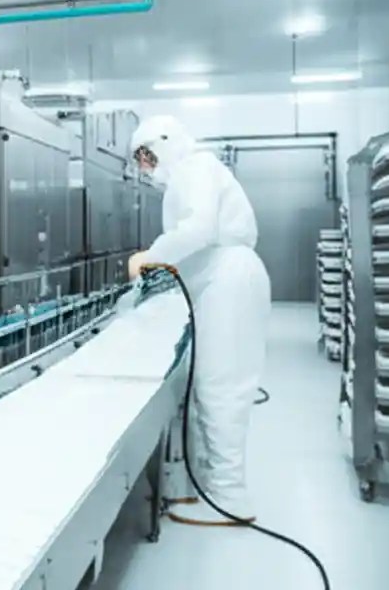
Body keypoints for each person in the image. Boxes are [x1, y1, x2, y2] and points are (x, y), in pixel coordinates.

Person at [127, 115, 271, 526]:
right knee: (207, 381)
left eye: (146, 156)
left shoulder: (195, 167)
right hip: (218, 282)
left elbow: (199, 229)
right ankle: (206, 481)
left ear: (165, 143)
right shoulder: (187, 176)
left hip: (230, 280)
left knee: (222, 384)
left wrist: (149, 256)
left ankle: (229, 498)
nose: (145, 167)